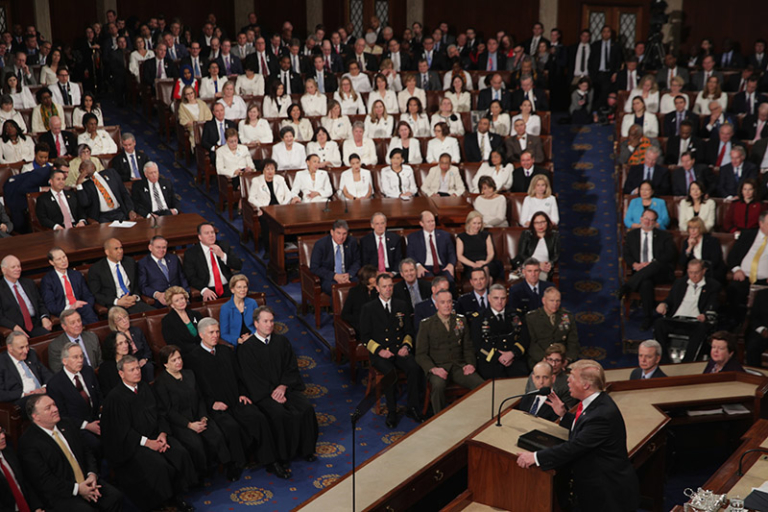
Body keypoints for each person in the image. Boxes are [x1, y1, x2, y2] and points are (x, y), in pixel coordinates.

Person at [516, 359, 639, 511]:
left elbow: (574, 447)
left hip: (607, 492)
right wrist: (563, 415)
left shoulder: (602, 415)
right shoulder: (595, 403)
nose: (567, 380)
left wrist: (535, 457)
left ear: (586, 385)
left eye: (572, 377)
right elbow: (584, 428)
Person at [101, 355, 197, 511]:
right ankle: (167, 502)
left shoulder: (145, 387)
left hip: (156, 436)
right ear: (121, 374)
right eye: (131, 370)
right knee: (158, 465)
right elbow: (122, 431)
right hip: (134, 445)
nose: (137, 372)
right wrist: (148, 443)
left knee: (179, 452)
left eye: (138, 368)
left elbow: (160, 413)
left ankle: (178, 494)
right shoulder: (115, 398)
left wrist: (163, 434)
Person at [238, 307, 319, 463]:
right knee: (280, 415)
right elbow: (251, 377)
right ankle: (282, 457)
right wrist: (273, 393)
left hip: (285, 387)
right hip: (263, 394)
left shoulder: (281, 342)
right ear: (256, 323)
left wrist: (282, 386)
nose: (269, 325)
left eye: (271, 321)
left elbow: (291, 367)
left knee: (306, 409)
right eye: (265, 321)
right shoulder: (246, 349)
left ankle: (306, 450)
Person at [20, 394, 122, 512]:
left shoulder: (67, 424)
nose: (55, 409)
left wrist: (92, 475)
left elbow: (87, 452)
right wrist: (78, 489)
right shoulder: (29, 443)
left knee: (115, 497)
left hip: (87, 482)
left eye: (54, 404)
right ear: (36, 417)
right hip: (61, 494)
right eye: (48, 408)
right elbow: (45, 481)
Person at [154, 345, 239, 482]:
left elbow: (200, 399)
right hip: (181, 423)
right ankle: (202, 474)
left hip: (199, 416)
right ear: (165, 364)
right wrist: (189, 425)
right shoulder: (161, 383)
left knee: (216, 435)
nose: (178, 362)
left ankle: (229, 465)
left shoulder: (189, 374)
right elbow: (168, 411)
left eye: (179, 358)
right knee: (196, 443)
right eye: (174, 360)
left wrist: (203, 417)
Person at [359, 273, 422, 427]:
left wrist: (406, 346)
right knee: (390, 373)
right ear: (377, 288)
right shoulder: (369, 308)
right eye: (384, 286)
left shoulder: (401, 305)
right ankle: (392, 412)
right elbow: (365, 337)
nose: (388, 289)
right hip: (380, 353)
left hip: (399, 349)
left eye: (390, 286)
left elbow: (408, 331)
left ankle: (412, 407)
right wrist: (380, 351)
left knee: (414, 368)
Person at [416, 289, 483, 414]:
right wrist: (433, 369)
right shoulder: (426, 325)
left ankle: (477, 416)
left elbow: (467, 346)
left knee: (480, 384)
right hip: (438, 367)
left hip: (459, 366)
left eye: (449, 302)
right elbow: (421, 354)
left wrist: (470, 364)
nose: (447, 305)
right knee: (438, 385)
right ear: (436, 305)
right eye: (442, 302)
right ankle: (440, 418)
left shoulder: (460, 320)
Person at [619, 209, 677, 330]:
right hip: (640, 271)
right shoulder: (631, 235)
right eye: (646, 218)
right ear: (641, 219)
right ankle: (647, 318)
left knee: (655, 265)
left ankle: (627, 286)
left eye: (651, 220)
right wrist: (635, 264)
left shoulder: (664, 236)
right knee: (645, 283)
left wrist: (650, 264)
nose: (648, 222)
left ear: (655, 223)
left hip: (660, 272)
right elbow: (627, 254)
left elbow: (670, 255)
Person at [654, 259, 720, 363]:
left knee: (701, 328)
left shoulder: (712, 285)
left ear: (703, 271)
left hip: (694, 322)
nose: (693, 276)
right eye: (690, 272)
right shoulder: (680, 283)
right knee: (659, 323)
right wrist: (663, 304)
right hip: (676, 319)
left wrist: (705, 315)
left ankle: (687, 362)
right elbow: (669, 300)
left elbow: (713, 305)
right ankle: (664, 360)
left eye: (696, 272)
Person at [470, 283, 529, 378]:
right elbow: (478, 344)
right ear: (489, 298)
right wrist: (499, 357)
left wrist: (512, 353)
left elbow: (524, 337)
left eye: (503, 298)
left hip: (514, 358)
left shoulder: (516, 315)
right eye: (496, 298)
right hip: (491, 361)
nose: (499, 302)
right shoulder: (479, 318)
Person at [725, 211, 768, 328]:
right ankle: (733, 324)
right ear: (761, 223)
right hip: (743, 276)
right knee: (733, 290)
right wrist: (737, 269)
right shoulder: (747, 235)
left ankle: (756, 328)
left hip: (764, 281)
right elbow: (732, 256)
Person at [88, 238, 152, 315]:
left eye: (121, 248)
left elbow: (136, 285)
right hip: (114, 305)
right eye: (116, 249)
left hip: (132, 302)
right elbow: (96, 294)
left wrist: (135, 296)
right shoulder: (96, 269)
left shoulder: (129, 262)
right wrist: (117, 301)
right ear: (107, 252)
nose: (120, 251)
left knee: (155, 315)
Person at [183, 222, 243, 301]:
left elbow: (238, 265)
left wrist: (222, 255)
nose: (211, 235)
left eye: (212, 232)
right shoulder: (191, 253)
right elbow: (190, 276)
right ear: (200, 237)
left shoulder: (223, 245)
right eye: (207, 233)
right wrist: (204, 290)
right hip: (207, 288)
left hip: (227, 286)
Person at [40, 247, 98, 325]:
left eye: (64, 257)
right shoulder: (48, 280)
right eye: (59, 259)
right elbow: (50, 305)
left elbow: (88, 295)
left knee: (89, 314)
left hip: (81, 307)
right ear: (52, 262)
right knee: (81, 323)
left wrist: (85, 305)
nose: (64, 261)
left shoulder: (76, 275)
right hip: (63, 310)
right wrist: (71, 307)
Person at [525, 287, 580, 368]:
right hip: (540, 359)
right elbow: (531, 343)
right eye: (552, 300)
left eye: (558, 301)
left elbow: (573, 342)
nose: (555, 304)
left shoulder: (567, 316)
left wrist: (567, 359)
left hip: (563, 360)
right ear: (544, 300)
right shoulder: (532, 318)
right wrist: (545, 360)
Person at [0, 255, 52, 337]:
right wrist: (14, 327)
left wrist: (44, 317)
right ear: (4, 270)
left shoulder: (28, 283)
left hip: (35, 323)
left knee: (48, 337)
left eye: (19, 266)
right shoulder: (1, 289)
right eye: (13, 267)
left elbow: (40, 303)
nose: (18, 269)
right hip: (16, 328)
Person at [309, 219, 361, 295]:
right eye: (338, 233)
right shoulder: (321, 245)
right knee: (337, 291)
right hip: (329, 278)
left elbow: (357, 261)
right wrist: (334, 276)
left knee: (362, 287)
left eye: (344, 234)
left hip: (348, 276)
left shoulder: (352, 242)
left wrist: (348, 275)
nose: (341, 237)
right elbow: (314, 267)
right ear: (332, 232)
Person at [0, 331, 51, 407]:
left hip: (41, 393)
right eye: (21, 348)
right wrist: (24, 394)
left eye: (27, 346)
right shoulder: (2, 363)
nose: (26, 351)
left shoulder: (31, 354)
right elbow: (1, 394)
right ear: (10, 347)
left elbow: (47, 375)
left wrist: (43, 389)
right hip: (22, 400)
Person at [137, 235, 188, 307]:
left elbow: (182, 278)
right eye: (158, 247)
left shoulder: (174, 258)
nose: (161, 250)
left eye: (164, 247)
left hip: (179, 298)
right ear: (150, 247)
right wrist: (157, 295)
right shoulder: (143, 264)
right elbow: (143, 287)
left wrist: (185, 293)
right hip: (160, 300)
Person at [47, 309, 102, 374]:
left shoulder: (92, 337)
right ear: (64, 327)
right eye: (73, 323)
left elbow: (100, 362)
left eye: (79, 321)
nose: (78, 325)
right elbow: (59, 371)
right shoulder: (56, 346)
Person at [407, 211, 456, 280]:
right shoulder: (413, 237)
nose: (431, 224)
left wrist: (450, 265)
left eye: (433, 221)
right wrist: (418, 266)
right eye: (428, 222)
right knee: (429, 281)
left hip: (443, 267)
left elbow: (451, 253)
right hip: (424, 267)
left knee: (449, 279)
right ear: (421, 223)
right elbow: (410, 255)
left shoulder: (445, 235)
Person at [457, 211, 502, 280]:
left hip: (486, 263)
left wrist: (485, 262)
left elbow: (491, 253)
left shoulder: (486, 235)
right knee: (488, 278)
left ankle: (485, 286)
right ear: (469, 223)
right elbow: (460, 256)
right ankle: (487, 285)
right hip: (470, 265)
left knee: (486, 268)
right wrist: (473, 264)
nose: (477, 226)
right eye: (474, 223)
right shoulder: (461, 237)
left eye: (479, 223)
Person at [679, 217, 725, 283]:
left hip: (709, 271)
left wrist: (700, 269)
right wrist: (689, 248)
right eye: (690, 228)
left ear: (701, 228)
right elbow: (682, 263)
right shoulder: (686, 242)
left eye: (696, 228)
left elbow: (715, 260)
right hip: (693, 273)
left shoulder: (712, 241)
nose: (693, 230)